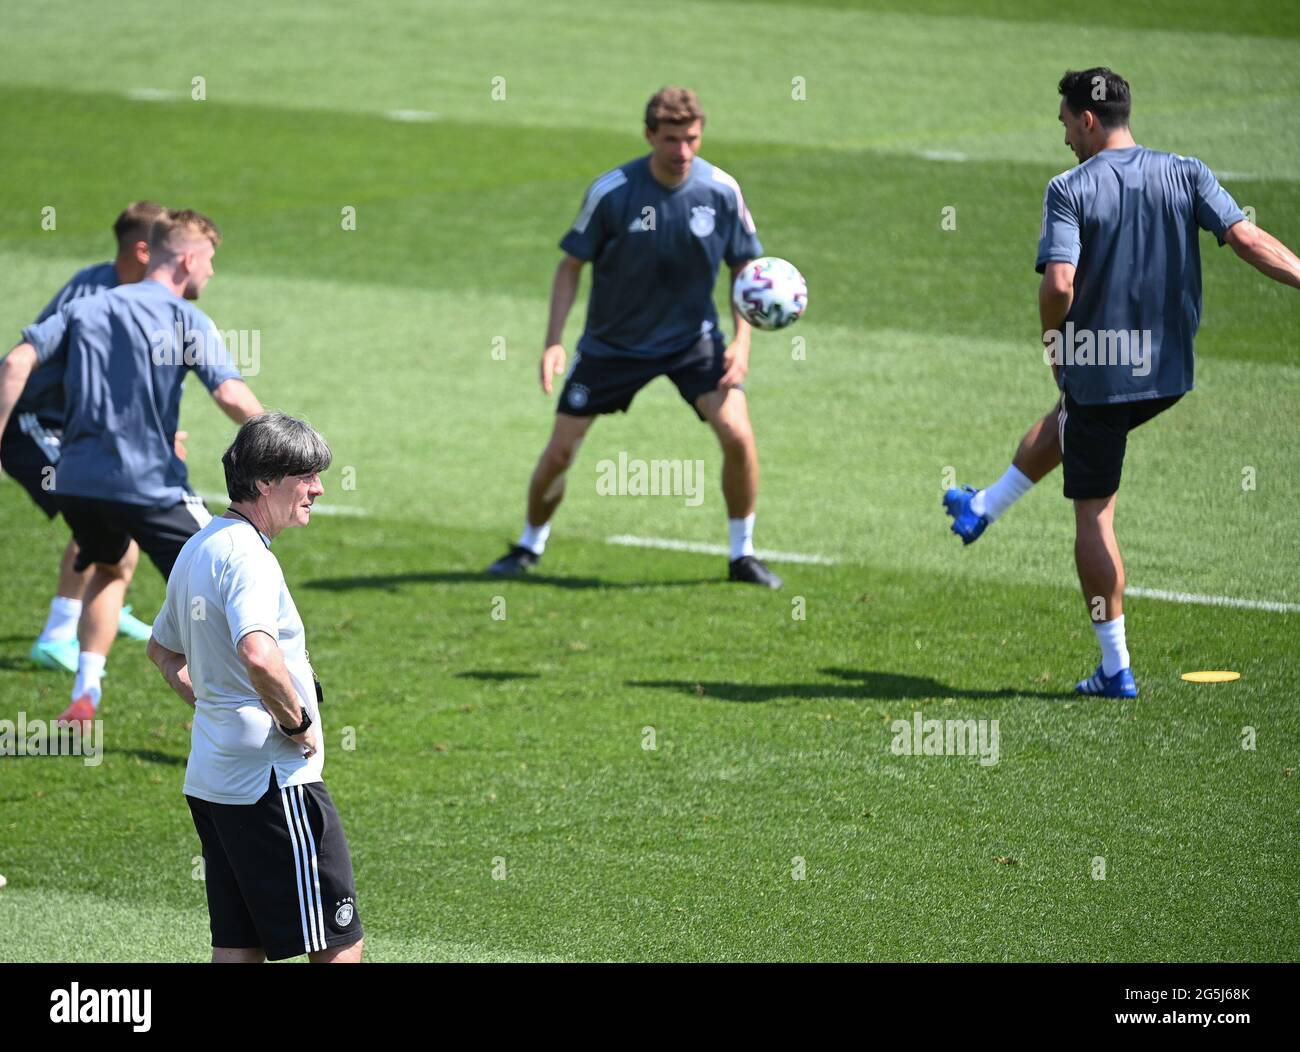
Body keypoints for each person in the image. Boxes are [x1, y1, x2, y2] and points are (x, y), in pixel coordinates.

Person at [943, 68, 1300, 697]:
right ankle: (983, 506)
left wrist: (1054, 342)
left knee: (1094, 514)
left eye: (1064, 125)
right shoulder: (1187, 170)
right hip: (1168, 372)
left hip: (1102, 372)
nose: (1064, 140)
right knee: (1068, 420)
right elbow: (1245, 238)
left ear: (1086, 119)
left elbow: (1058, 285)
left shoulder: (1068, 188)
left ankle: (1115, 668)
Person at [486, 86, 783, 588]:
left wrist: (742, 341)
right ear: (649, 136)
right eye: (671, 139)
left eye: (691, 139)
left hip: (694, 339)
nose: (682, 151)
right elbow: (570, 265)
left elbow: (745, 268)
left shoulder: (720, 191)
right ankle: (529, 544)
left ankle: (742, 554)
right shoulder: (614, 191)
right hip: (612, 345)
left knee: (737, 433)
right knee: (560, 452)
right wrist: (554, 340)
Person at [0, 209, 263, 724]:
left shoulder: (90, 306)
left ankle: (87, 692)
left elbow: (14, 362)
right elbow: (230, 393)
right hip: (149, 484)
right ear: (188, 259)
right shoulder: (185, 318)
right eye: (210, 261)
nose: (210, 273)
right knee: (230, 569)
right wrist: (285, 438)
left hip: (77, 481)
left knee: (108, 562)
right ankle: (242, 712)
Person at [148, 412, 363, 964]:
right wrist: (298, 723)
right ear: (266, 482)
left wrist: (219, 706)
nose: (317, 488)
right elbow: (259, 653)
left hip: (214, 777)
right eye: (306, 475)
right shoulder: (249, 558)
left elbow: (163, 651)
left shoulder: (201, 546)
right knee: (338, 942)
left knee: (239, 948)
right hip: (273, 781)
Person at [2, 201, 168, 673]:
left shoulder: (134, 291)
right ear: (142, 250)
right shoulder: (96, 296)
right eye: (170, 250)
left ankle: (109, 603)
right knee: (98, 502)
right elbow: (19, 362)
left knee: (129, 490)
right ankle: (58, 635)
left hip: (77, 426)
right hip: (34, 421)